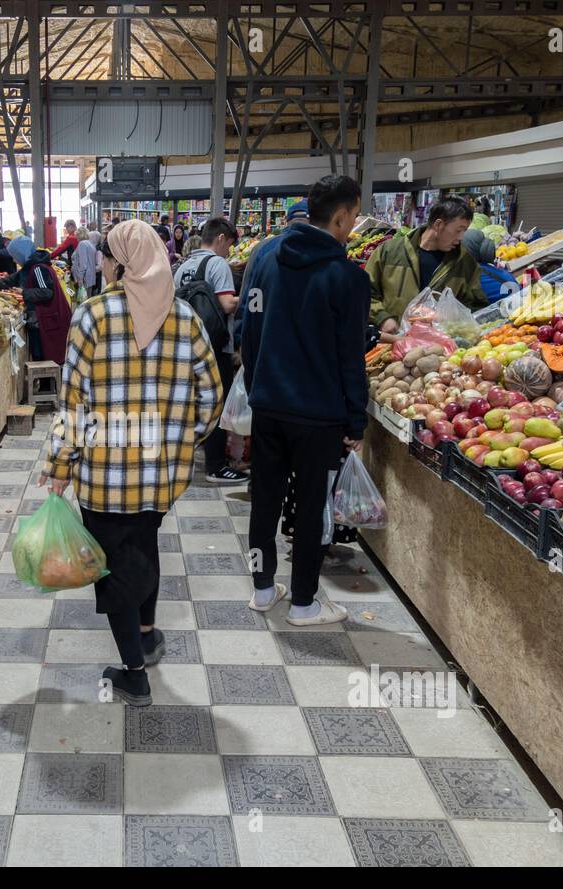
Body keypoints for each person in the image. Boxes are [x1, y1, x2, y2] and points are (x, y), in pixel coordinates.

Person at [39, 219, 221, 706]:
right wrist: (183, 440)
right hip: (159, 475)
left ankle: (133, 673)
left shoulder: (92, 317)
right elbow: (212, 395)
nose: (101, 262)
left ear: (121, 262)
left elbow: (74, 403)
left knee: (114, 568)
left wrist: (59, 466)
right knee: (144, 543)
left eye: (106, 255)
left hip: (103, 475)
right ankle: (146, 630)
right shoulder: (185, 318)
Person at [239, 174, 370, 627]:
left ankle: (261, 588)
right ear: (339, 216)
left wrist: (259, 385)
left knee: (265, 501)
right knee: (310, 508)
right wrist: (356, 419)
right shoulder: (348, 277)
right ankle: (303, 603)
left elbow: (247, 328)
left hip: (268, 404)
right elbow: (350, 357)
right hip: (319, 414)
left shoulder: (265, 257)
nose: (353, 224)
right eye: (353, 216)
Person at [174, 217, 243, 484]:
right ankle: (216, 466)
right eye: (229, 246)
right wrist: (245, 297)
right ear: (221, 239)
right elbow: (226, 304)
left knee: (191, 401)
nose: (229, 252)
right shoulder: (218, 264)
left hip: (186, 345)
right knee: (215, 401)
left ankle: (186, 456)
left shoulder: (181, 265)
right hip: (215, 346)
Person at [366, 195, 487, 343]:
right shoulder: (390, 252)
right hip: (391, 344)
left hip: (438, 352)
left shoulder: (465, 263)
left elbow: (477, 307)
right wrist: (382, 318)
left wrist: (451, 320)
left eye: (464, 231)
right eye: (458, 230)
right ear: (438, 225)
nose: (461, 237)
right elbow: (365, 292)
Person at [0, 235, 73, 363]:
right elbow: (17, 277)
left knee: (45, 357)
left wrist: (25, 292)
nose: (14, 260)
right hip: (44, 319)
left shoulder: (38, 268)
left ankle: (47, 383)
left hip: (48, 320)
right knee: (41, 356)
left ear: (22, 254)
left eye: (15, 256)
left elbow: (47, 292)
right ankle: (45, 381)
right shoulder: (31, 265)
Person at [70, 228, 98, 301]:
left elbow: (83, 264)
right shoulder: (90, 244)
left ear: (79, 235)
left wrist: (80, 279)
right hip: (90, 277)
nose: (76, 238)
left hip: (84, 279)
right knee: (88, 299)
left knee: (82, 301)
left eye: (77, 235)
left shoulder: (82, 244)